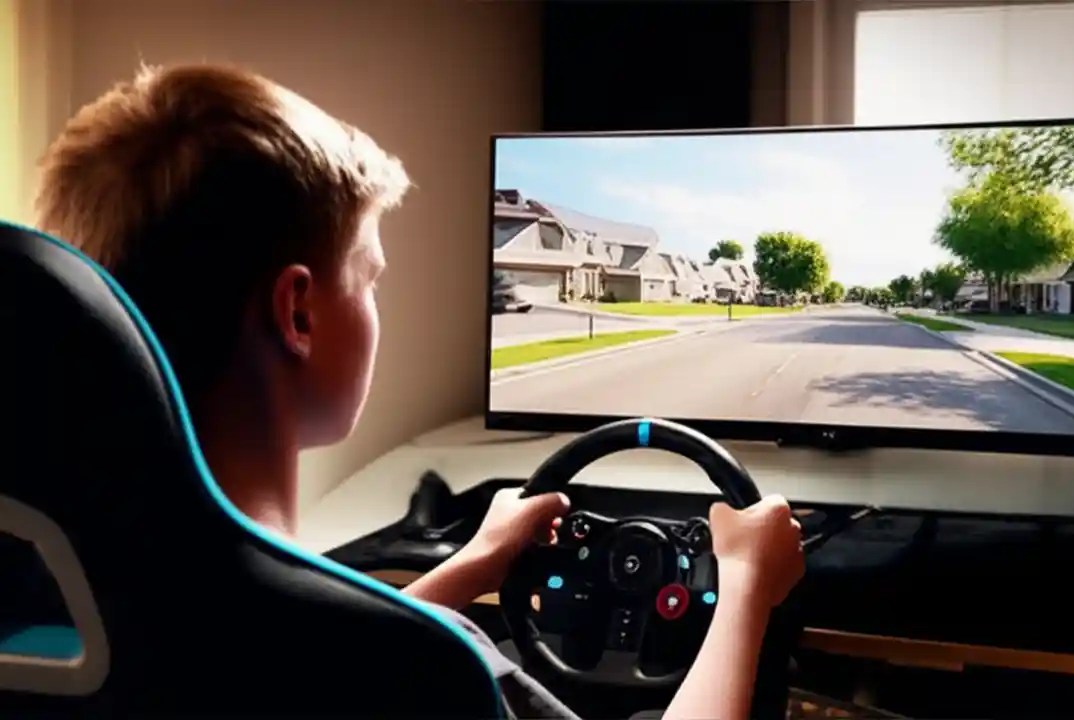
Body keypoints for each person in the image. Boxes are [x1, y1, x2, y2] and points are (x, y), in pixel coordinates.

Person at [33, 63, 805, 719]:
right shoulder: (441, 674)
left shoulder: (57, 613)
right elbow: (364, 658)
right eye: (368, 278)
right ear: (298, 313)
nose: (376, 304)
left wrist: (475, 562)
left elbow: (327, 659)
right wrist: (744, 586)